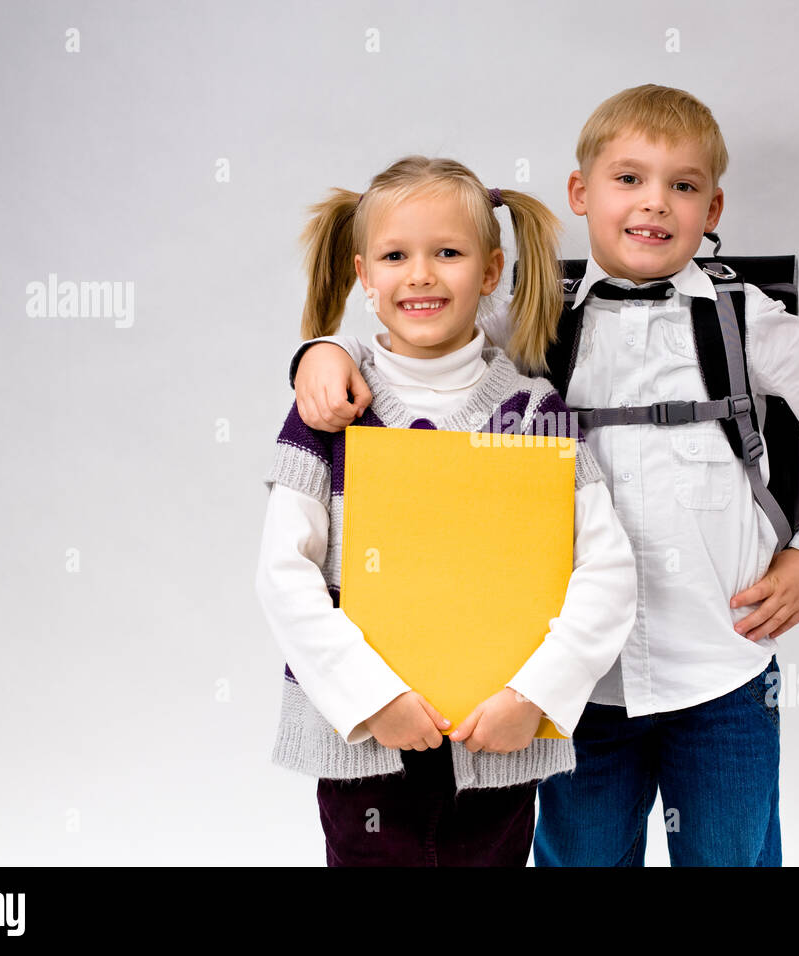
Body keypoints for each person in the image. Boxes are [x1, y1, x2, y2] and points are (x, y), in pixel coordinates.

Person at [287, 86, 799, 866]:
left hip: (724, 670)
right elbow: (423, 344)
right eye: (629, 179)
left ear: (713, 207)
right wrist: (323, 354)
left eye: (683, 186)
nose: (655, 203)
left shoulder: (743, 320)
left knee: (730, 854)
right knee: (583, 858)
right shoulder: (536, 313)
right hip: (573, 685)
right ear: (581, 194)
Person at [255, 155, 638, 867]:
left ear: (490, 272)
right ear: (365, 275)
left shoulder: (534, 415)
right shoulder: (329, 412)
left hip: (497, 738)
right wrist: (371, 698)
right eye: (396, 256)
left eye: (448, 254)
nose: (421, 275)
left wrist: (535, 694)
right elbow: (285, 575)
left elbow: (606, 571)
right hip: (364, 749)